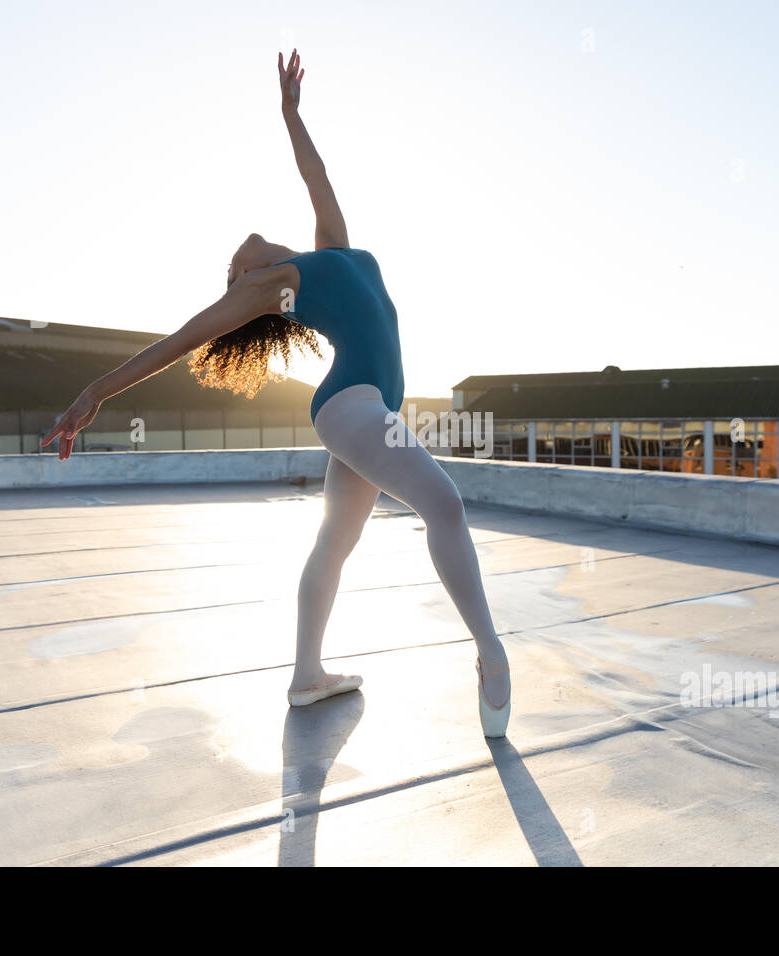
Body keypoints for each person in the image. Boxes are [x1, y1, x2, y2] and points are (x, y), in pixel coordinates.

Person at [41, 50, 511, 737]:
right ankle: (492, 654)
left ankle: (306, 677)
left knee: (334, 541)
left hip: (358, 412)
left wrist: (291, 114)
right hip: (353, 405)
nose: (239, 255)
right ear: (250, 285)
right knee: (444, 501)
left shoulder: (333, 253)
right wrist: (96, 391)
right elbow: (177, 341)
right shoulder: (277, 288)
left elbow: (316, 175)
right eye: (234, 270)